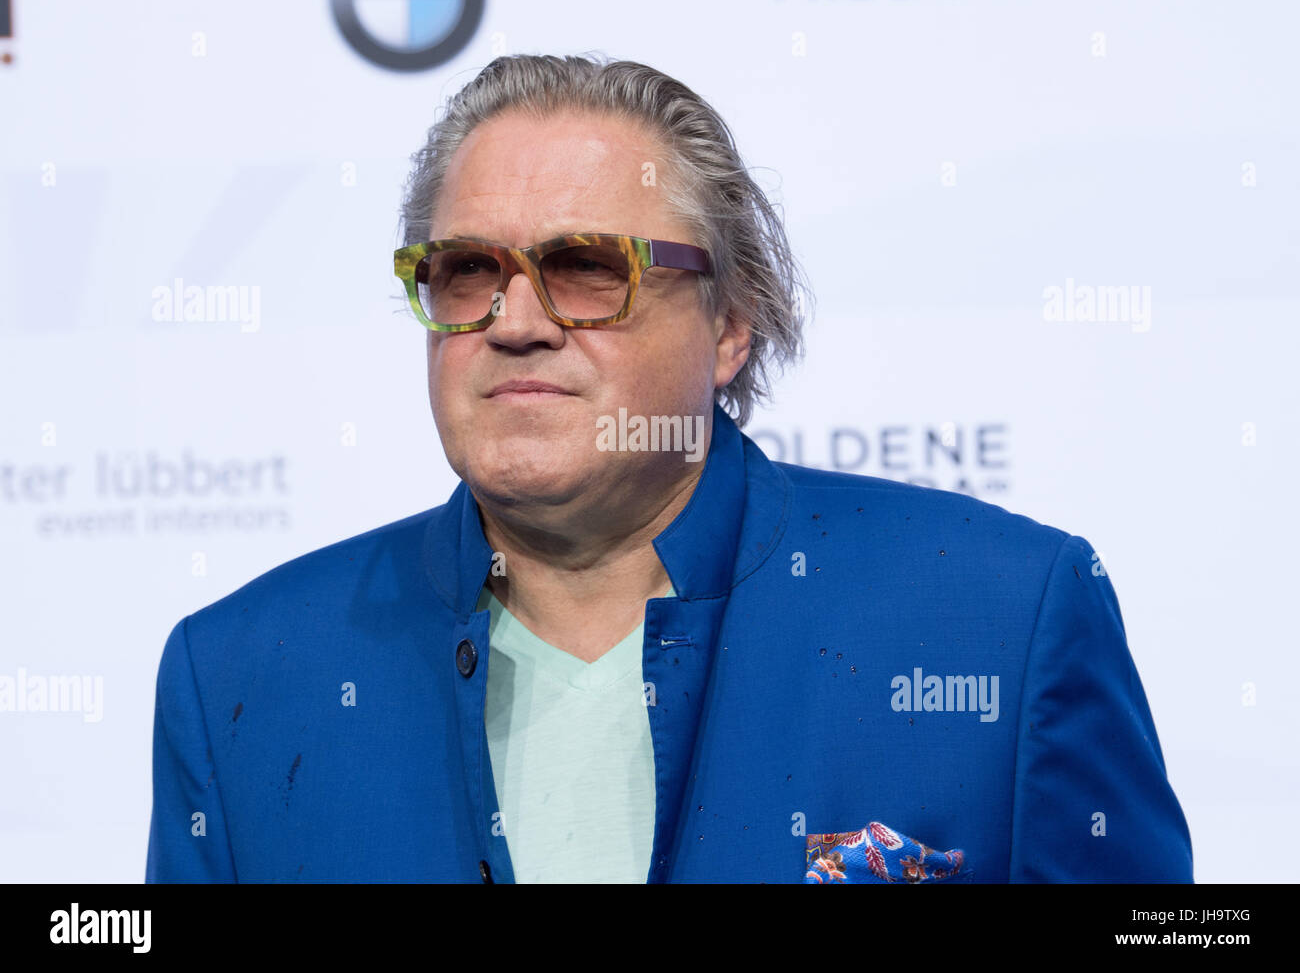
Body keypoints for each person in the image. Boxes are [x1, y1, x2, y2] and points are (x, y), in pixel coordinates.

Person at [146, 53, 1192, 884]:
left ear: (731, 323)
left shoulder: (1002, 619)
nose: (514, 323)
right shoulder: (241, 671)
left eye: (585, 269)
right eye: (467, 271)